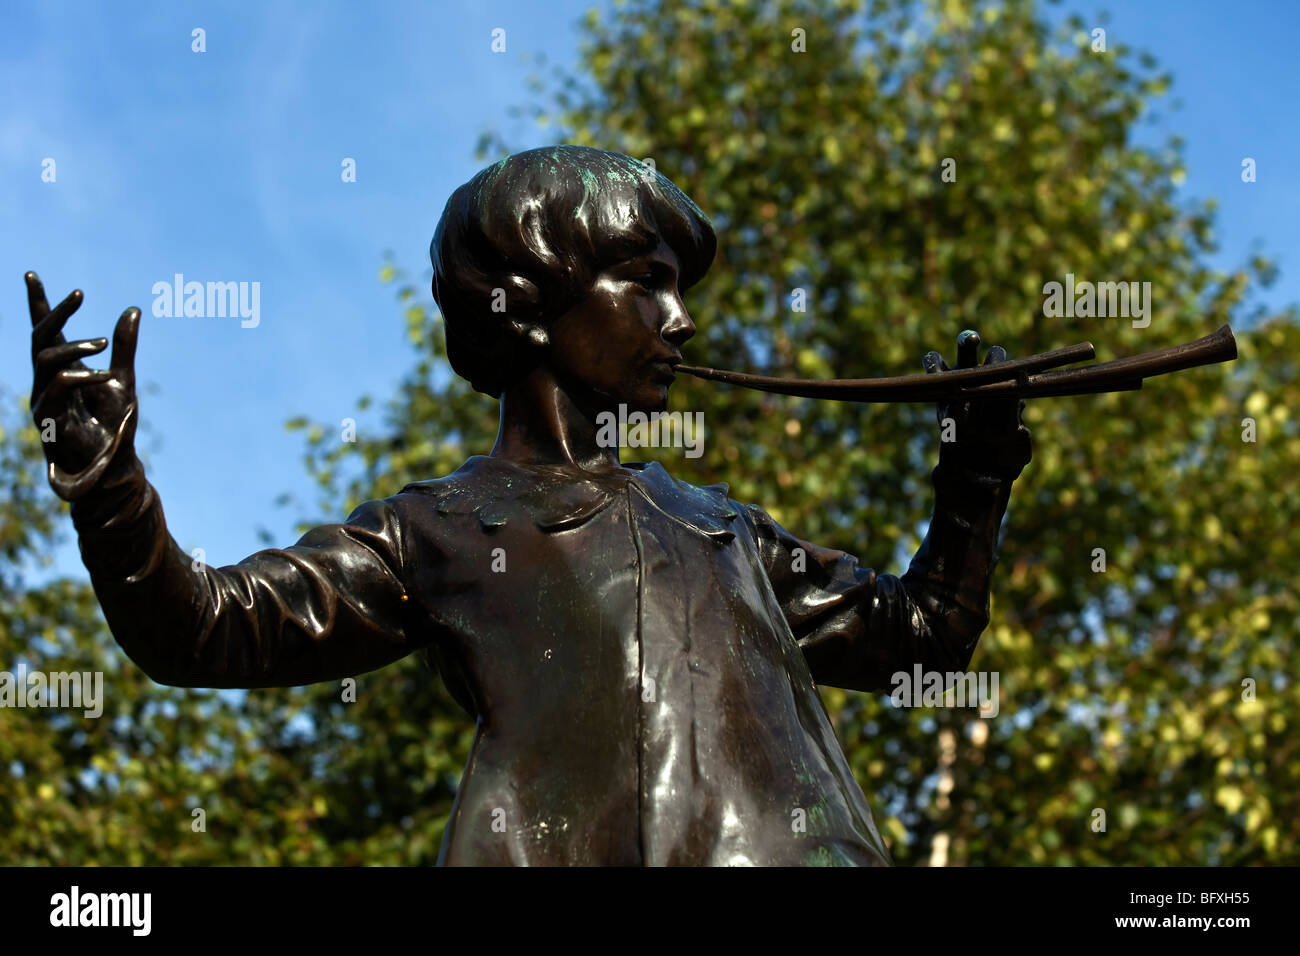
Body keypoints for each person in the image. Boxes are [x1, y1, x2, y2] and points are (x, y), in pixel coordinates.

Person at [26, 145, 1030, 866]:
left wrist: (975, 478)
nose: (680, 318)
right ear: (535, 300)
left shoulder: (724, 531)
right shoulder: (441, 528)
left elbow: (923, 642)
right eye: (646, 283)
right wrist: (108, 480)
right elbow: (199, 629)